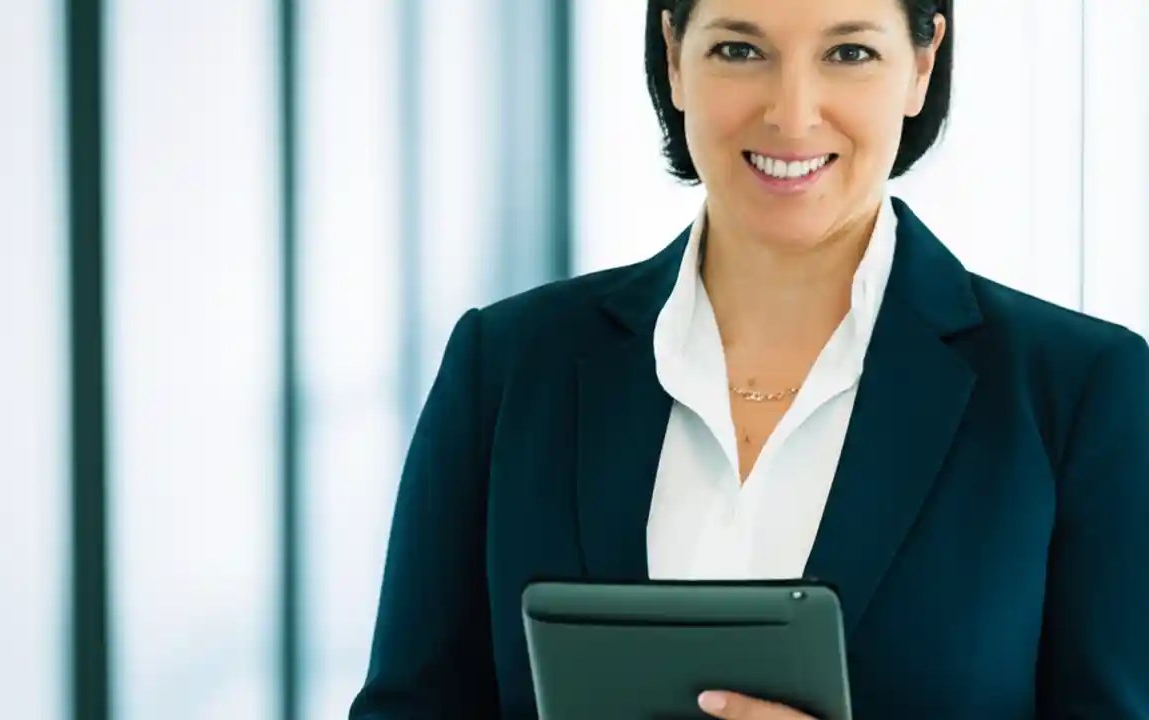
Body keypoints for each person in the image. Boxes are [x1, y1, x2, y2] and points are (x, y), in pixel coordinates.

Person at [348, 0, 1149, 717]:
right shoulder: (509, 366)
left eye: (849, 53)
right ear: (674, 56)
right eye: (739, 49)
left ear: (922, 64)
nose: (792, 115)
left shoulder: (1079, 392)